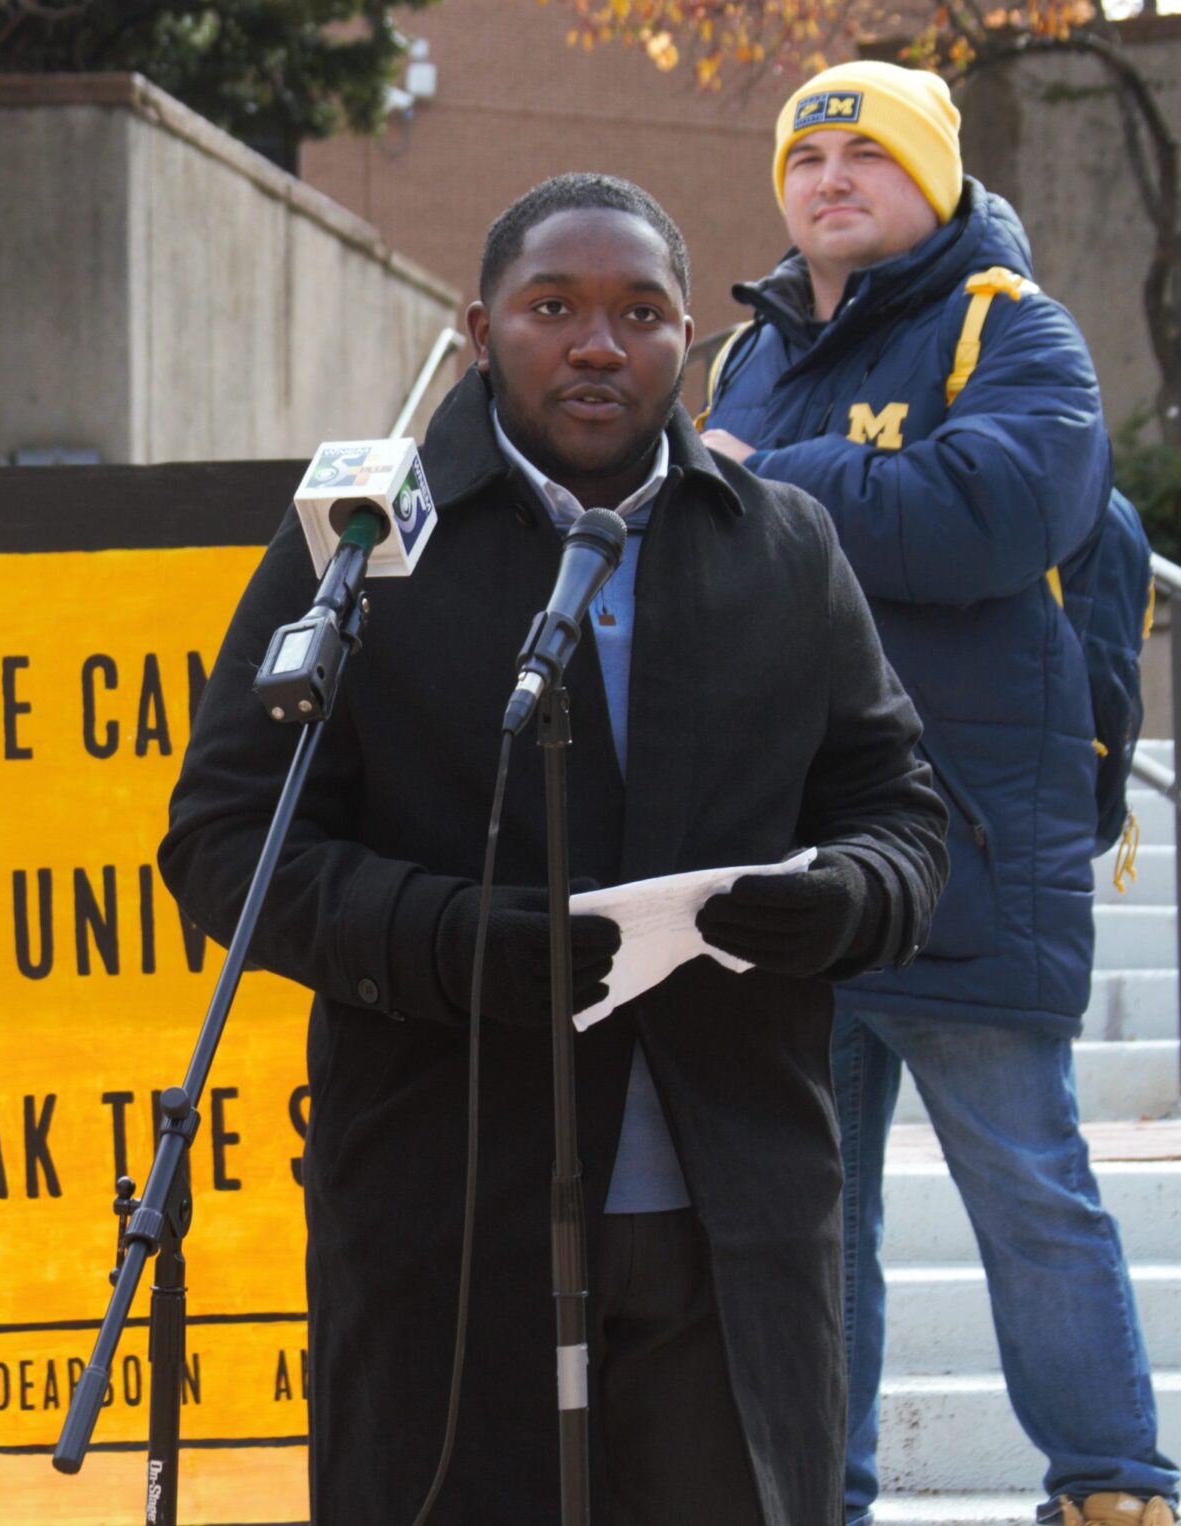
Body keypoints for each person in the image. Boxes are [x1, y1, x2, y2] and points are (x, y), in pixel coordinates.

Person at [159, 172, 947, 1524]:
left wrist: (850, 900)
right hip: (449, 1225)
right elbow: (227, 840)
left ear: (689, 339)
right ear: (478, 331)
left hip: (733, 1222)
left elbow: (903, 808)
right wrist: (450, 942)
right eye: (553, 307)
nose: (598, 343)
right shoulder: (361, 547)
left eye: (642, 312)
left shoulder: (783, 547)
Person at [700, 59, 1180, 1526]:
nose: (829, 177)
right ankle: (817, 1493)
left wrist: (760, 481)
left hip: (970, 844)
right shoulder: (746, 358)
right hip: (796, 857)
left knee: (1028, 1187)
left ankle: (1113, 1486)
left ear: (940, 177)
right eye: (807, 157)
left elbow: (990, 515)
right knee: (814, 1218)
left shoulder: (1014, 331)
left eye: (868, 154)